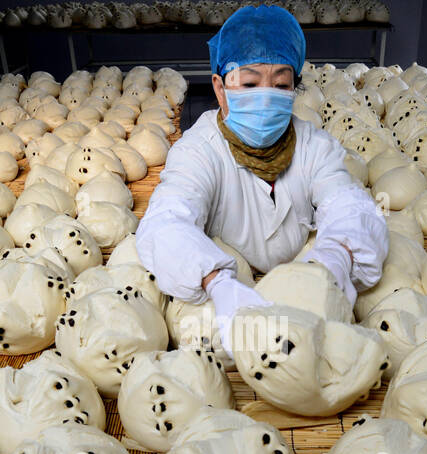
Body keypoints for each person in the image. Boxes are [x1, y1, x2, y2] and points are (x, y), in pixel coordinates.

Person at [137, 4, 387, 351]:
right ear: (220, 89)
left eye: (281, 84)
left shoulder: (315, 146)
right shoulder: (198, 150)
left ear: (293, 89)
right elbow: (165, 223)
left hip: (302, 295)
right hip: (224, 287)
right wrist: (218, 284)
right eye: (250, 83)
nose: (266, 97)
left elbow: (351, 207)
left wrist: (336, 257)